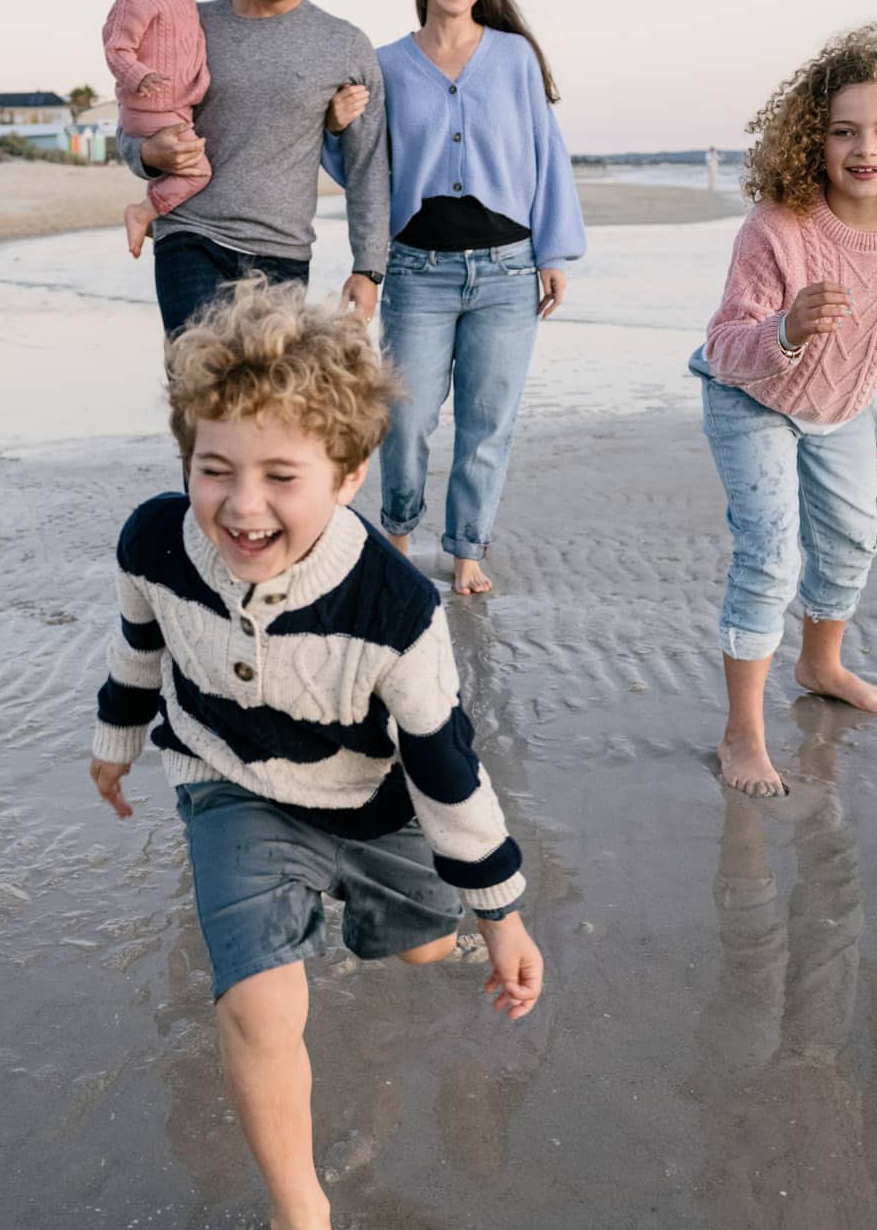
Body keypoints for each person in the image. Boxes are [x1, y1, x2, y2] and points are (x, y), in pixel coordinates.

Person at [88, 278, 544, 1230]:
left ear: (347, 474)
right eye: (214, 469)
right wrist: (118, 740)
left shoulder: (396, 613)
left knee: (419, 947)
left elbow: (448, 770)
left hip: (376, 807)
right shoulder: (154, 545)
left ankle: (413, 926)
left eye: (280, 476)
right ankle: (302, 1208)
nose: (242, 507)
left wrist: (498, 912)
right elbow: (141, 643)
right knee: (257, 1006)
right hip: (231, 784)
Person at [689, 22, 877, 796]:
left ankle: (821, 663)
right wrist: (784, 327)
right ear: (814, 138)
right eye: (845, 132)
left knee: (852, 537)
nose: (866, 150)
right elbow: (723, 344)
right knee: (771, 555)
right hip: (752, 397)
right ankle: (741, 734)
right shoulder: (778, 225)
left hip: (844, 403)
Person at [330, 0, 583, 595]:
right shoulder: (385, 65)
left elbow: (545, 153)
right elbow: (361, 164)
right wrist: (335, 127)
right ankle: (398, 537)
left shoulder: (514, 57)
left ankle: (468, 551)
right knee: (404, 417)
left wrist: (554, 252)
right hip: (417, 270)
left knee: (486, 423)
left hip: (507, 269)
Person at [118, 0, 390, 335]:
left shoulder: (344, 45)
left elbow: (367, 167)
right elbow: (133, 117)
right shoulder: (192, 23)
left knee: (266, 407)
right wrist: (146, 154)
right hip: (192, 236)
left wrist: (367, 269)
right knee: (201, 397)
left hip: (282, 253)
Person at [102, 0, 211, 259]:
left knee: (187, 166)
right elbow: (116, 48)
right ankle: (144, 212)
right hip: (148, 105)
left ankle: (154, 214)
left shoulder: (186, 0)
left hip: (175, 108)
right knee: (198, 171)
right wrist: (139, 75)